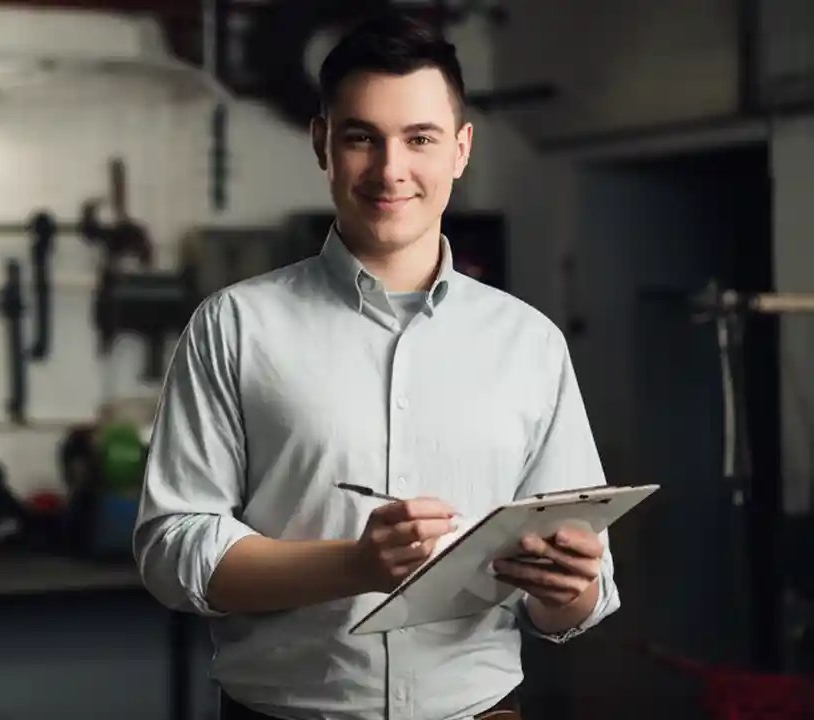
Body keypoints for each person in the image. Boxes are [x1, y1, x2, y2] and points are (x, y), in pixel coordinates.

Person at [133, 9, 622, 720]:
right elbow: (171, 549)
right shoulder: (233, 326)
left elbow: (579, 594)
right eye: (362, 137)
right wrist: (354, 567)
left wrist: (569, 585)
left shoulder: (530, 343)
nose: (391, 170)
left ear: (460, 149)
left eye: (419, 139)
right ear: (322, 144)